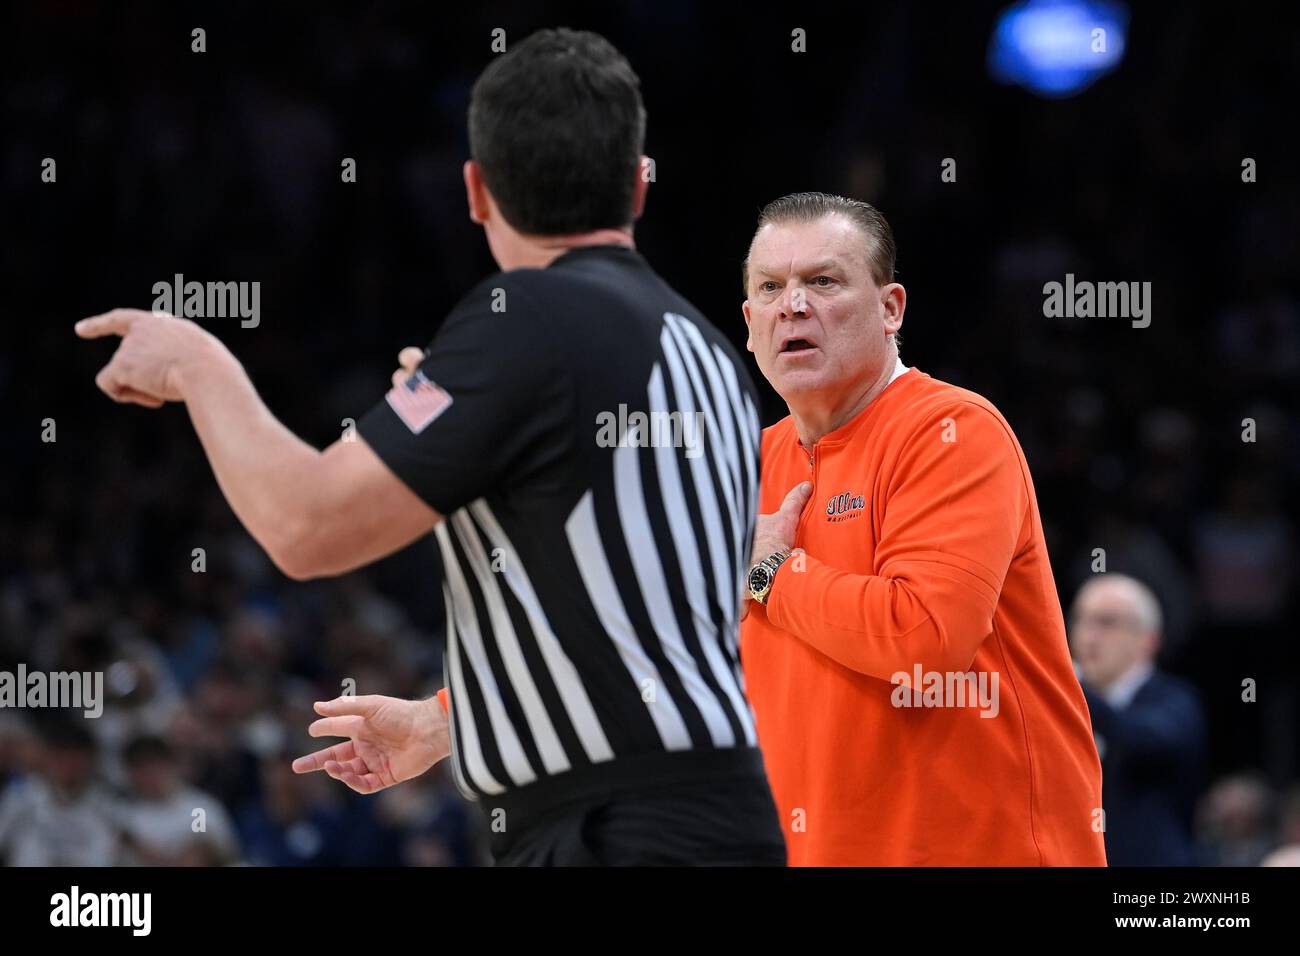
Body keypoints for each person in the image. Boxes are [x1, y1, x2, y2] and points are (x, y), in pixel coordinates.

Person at [75, 28, 782, 866]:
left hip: (612, 828)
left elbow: (306, 527)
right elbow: (646, 619)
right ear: (637, 183)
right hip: (728, 816)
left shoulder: (523, 319)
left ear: (477, 192)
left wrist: (200, 365)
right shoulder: (712, 356)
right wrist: (448, 721)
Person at [738, 191, 1106, 865]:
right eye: (771, 287)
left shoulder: (953, 432)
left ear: (890, 308)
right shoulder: (744, 466)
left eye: (823, 281)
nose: (792, 304)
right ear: (749, 321)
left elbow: (925, 638)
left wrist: (769, 573)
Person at [1069, 573, 1207, 866]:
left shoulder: (1176, 700)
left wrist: (1069, 688)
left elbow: (1141, 740)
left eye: (1106, 622)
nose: (1088, 636)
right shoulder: (1067, 703)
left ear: (1148, 639)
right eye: (1081, 620)